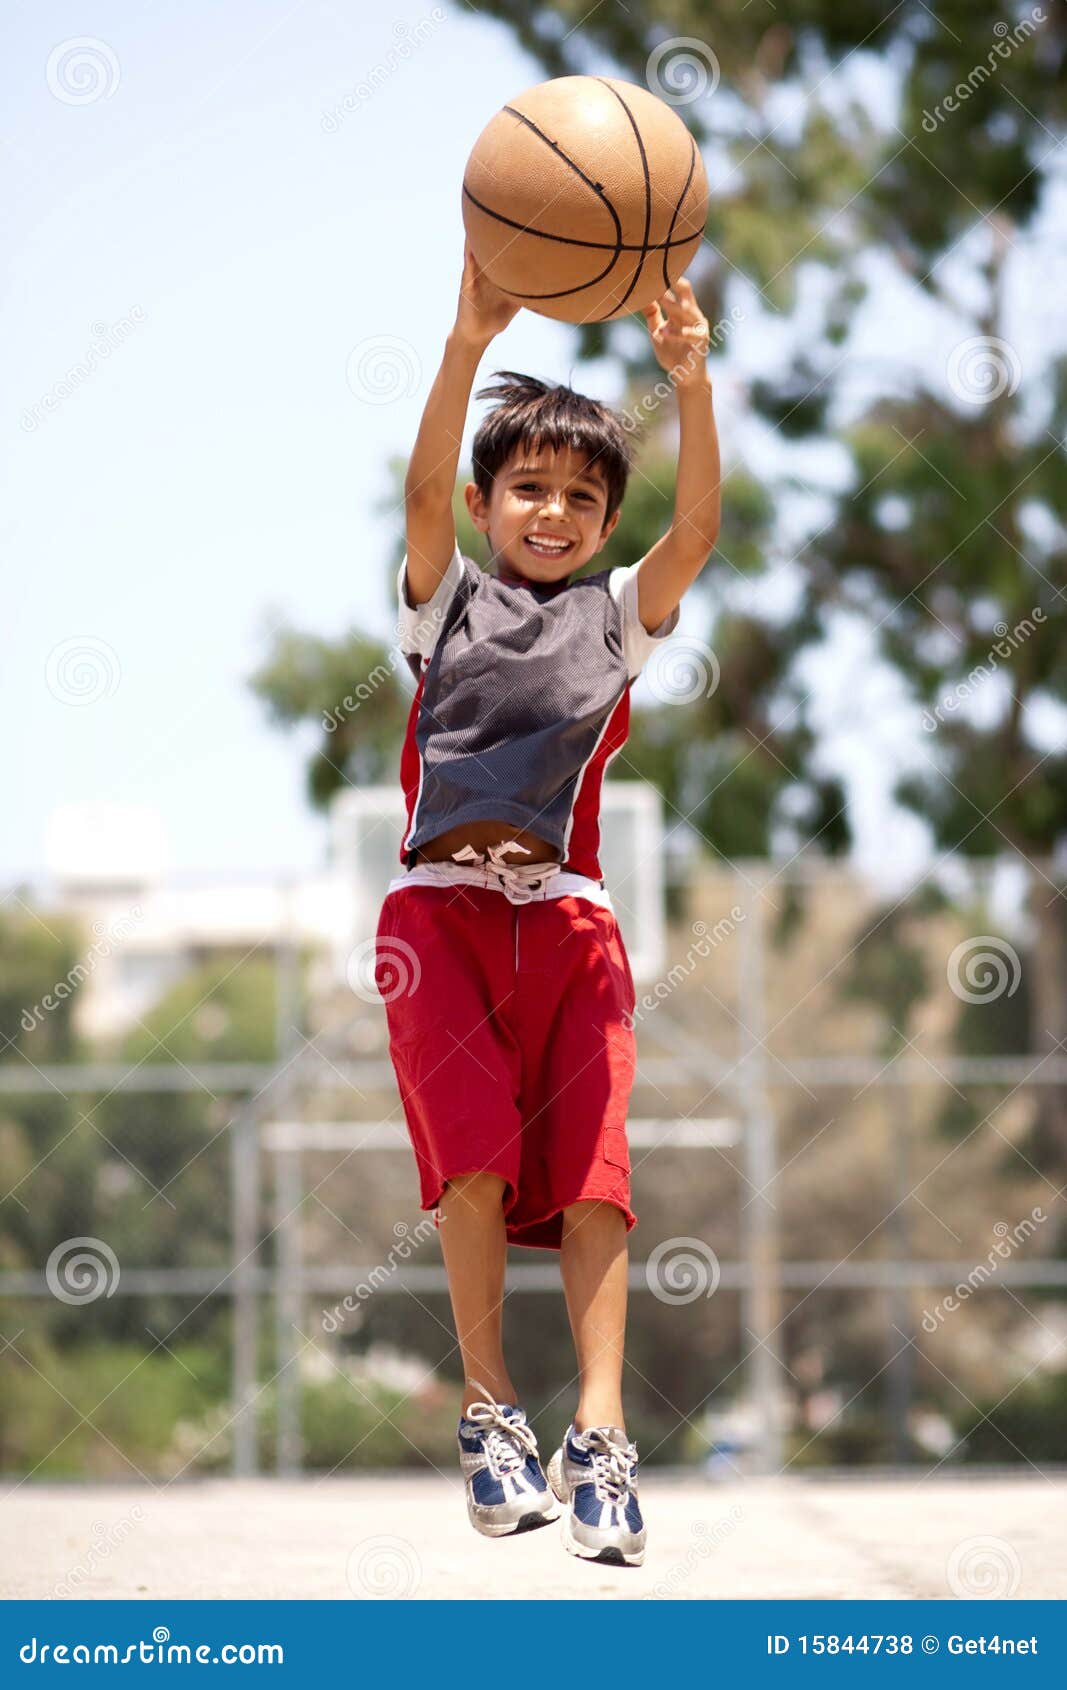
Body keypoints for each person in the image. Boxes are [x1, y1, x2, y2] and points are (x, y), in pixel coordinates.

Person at [374, 240, 720, 1567]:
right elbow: (414, 489)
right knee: (470, 1163)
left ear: (603, 521)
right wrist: (466, 342)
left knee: (595, 1189)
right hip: (439, 921)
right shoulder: (443, 603)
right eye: (529, 488)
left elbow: (697, 531)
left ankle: (602, 1441)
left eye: (582, 495)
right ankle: (489, 1415)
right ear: (483, 500)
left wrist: (689, 380)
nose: (557, 511)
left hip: (570, 924)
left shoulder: (617, 619)